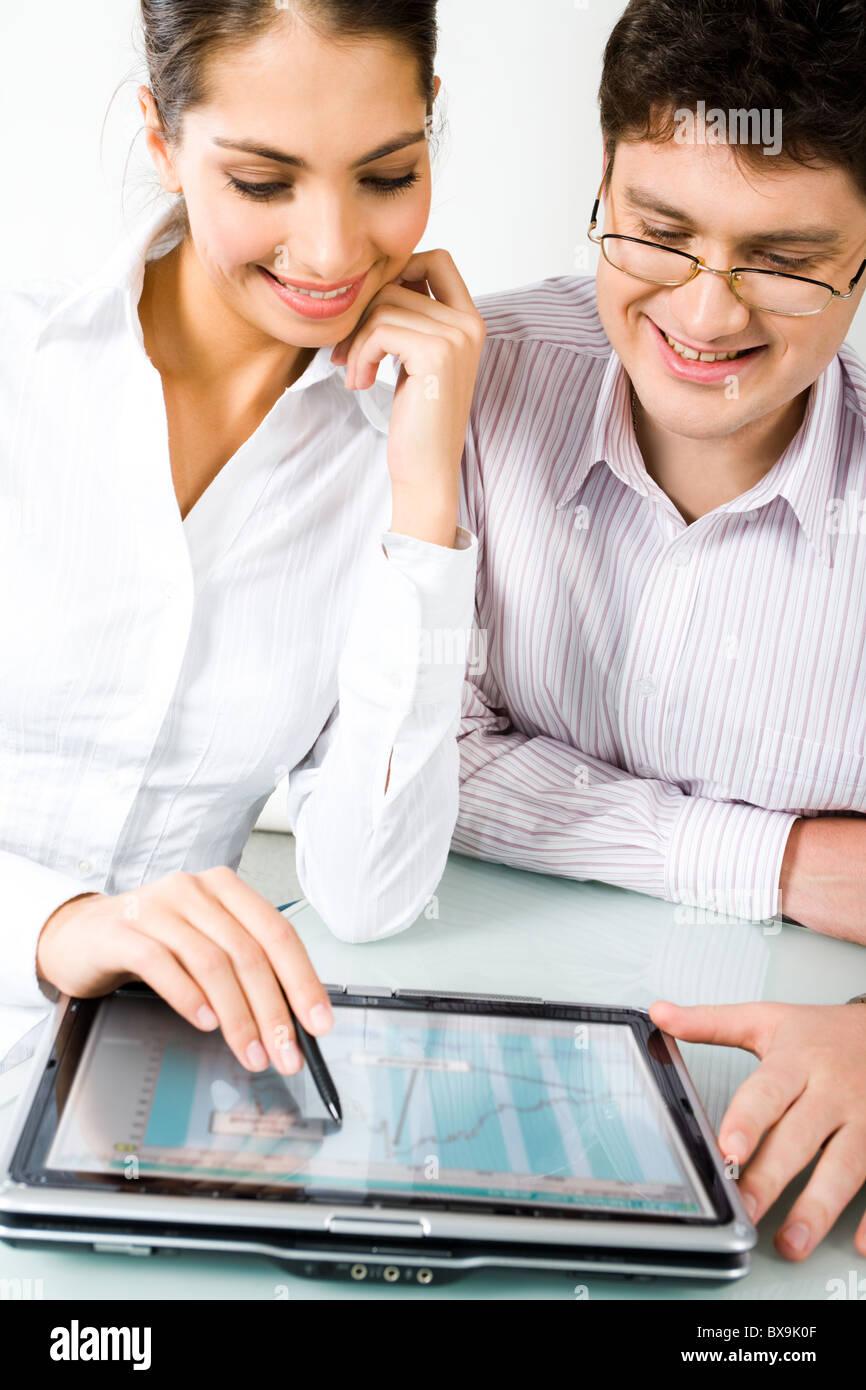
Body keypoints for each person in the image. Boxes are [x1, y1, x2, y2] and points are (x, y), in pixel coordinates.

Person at [0, 0, 486, 1082]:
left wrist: (421, 497)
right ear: (162, 141)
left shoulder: (403, 442)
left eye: (386, 175)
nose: (328, 249)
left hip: (153, 1098)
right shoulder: (16, 372)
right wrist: (51, 924)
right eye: (263, 183)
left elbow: (368, 893)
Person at [452, 0, 866, 1259]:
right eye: (657, 234)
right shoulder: (473, 382)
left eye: (783, 256)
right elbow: (415, 760)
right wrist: (779, 861)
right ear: (601, 192)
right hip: (483, 1066)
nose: (704, 310)